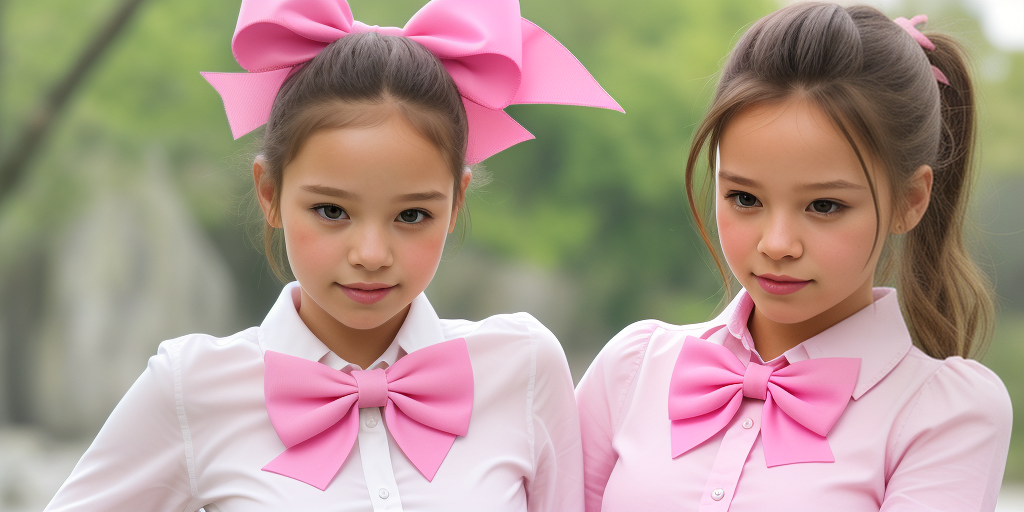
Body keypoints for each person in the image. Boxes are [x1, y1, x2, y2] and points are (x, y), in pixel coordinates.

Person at [45, 0, 621, 510]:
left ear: (456, 200)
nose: (371, 254)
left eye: (412, 216)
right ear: (269, 193)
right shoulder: (192, 387)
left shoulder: (522, 366)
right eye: (331, 211)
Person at [575, 3, 1011, 511]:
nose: (777, 243)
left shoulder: (944, 415)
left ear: (911, 200)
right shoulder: (633, 368)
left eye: (824, 206)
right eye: (744, 198)